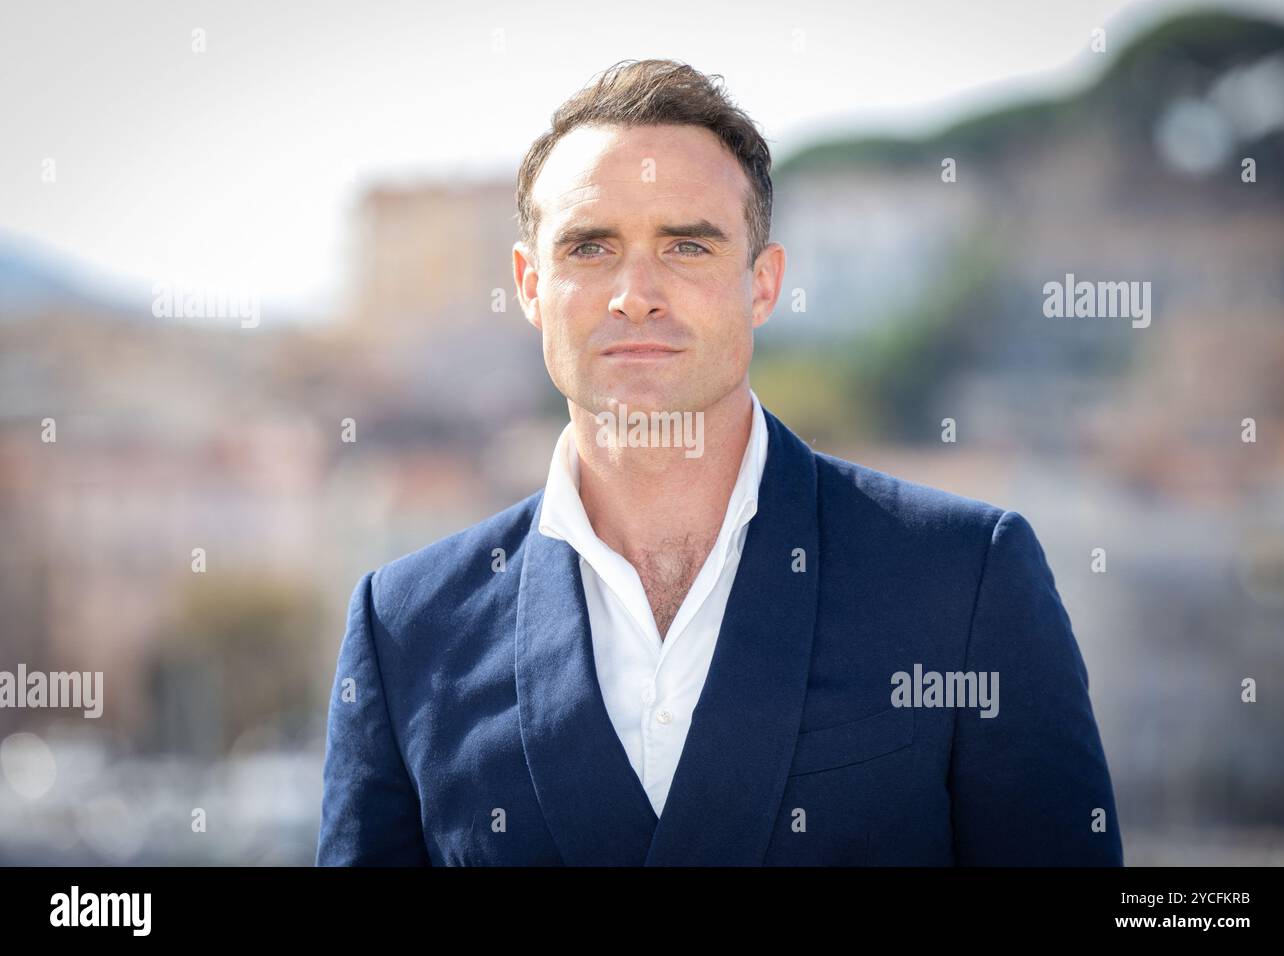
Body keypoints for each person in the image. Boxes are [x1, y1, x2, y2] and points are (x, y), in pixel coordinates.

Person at [316, 58, 1122, 866]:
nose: (636, 292)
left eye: (687, 247)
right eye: (591, 247)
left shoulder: (964, 580)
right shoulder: (406, 628)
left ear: (762, 284)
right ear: (530, 284)